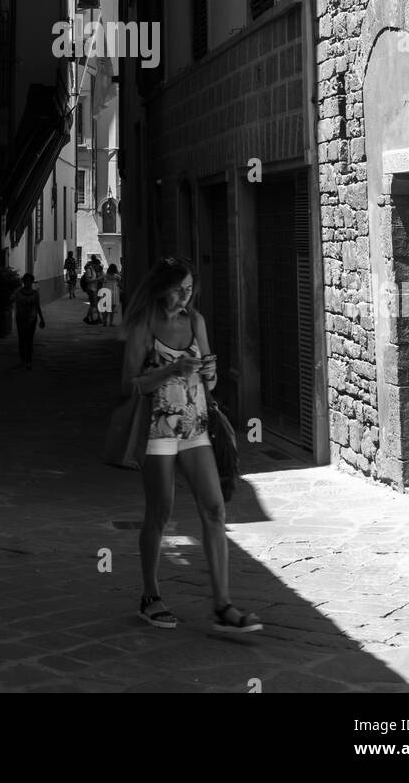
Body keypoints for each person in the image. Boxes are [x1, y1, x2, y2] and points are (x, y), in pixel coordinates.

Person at [121, 255, 262, 634]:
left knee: (215, 510)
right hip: (158, 429)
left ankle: (223, 605)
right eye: (179, 288)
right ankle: (150, 596)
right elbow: (128, 384)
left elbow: (210, 380)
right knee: (160, 513)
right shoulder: (144, 326)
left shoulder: (196, 322)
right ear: (161, 287)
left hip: (195, 427)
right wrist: (167, 370)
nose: (186, 295)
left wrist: (209, 374)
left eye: (189, 288)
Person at [13, 273, 46, 370]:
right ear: (23, 281)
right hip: (20, 318)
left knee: (29, 340)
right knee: (21, 339)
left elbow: (37, 306)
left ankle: (28, 360)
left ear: (32, 282)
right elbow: (12, 300)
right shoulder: (18, 292)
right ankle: (22, 358)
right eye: (25, 281)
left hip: (31, 319)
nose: (27, 283)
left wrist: (41, 319)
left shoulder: (35, 294)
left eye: (29, 281)